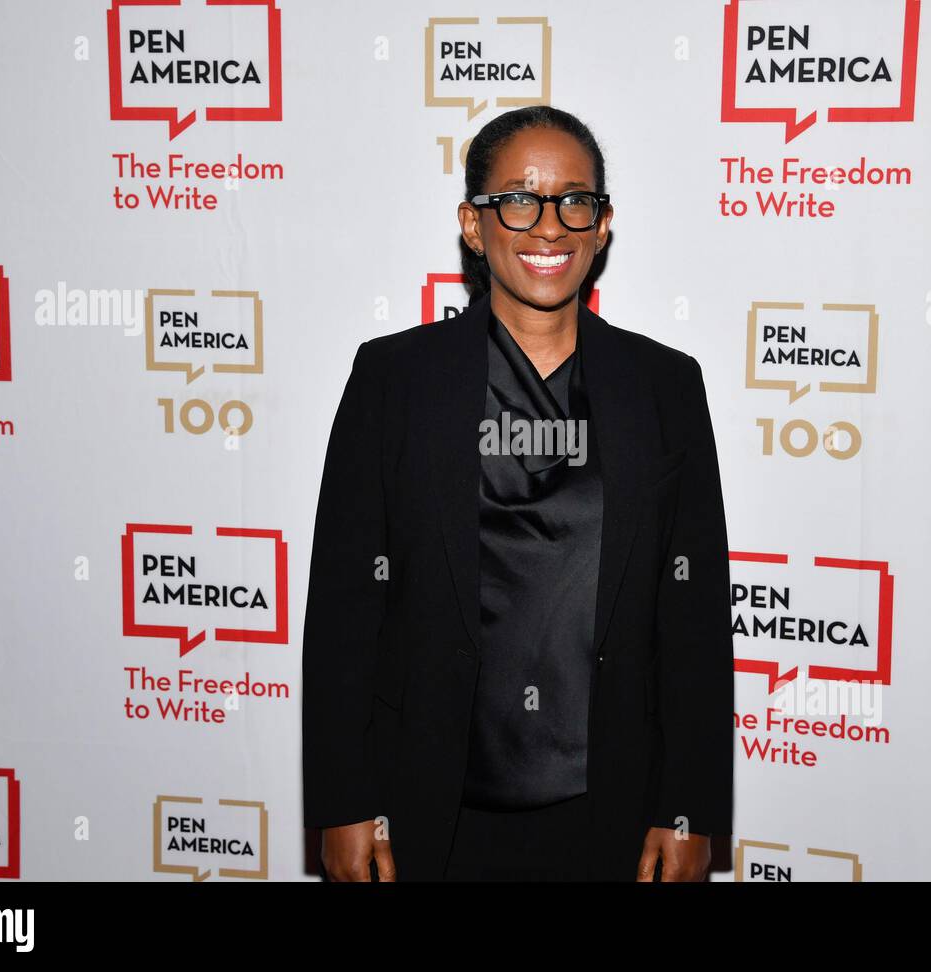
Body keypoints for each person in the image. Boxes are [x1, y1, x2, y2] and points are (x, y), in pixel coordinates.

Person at [303, 105, 733, 881]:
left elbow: (693, 621)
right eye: (518, 199)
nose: (549, 225)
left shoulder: (666, 386)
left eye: (575, 200)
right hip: (431, 807)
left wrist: (689, 808)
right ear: (473, 224)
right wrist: (344, 800)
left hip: (611, 807)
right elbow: (345, 607)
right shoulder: (395, 379)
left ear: (602, 226)